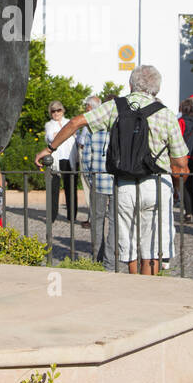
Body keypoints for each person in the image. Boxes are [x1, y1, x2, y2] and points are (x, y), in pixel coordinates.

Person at [39, 65, 187, 275]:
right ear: (158, 89)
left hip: (124, 184)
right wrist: (178, 186)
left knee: (128, 246)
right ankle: (148, 294)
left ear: (130, 85)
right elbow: (181, 164)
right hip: (156, 184)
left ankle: (133, 289)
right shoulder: (166, 115)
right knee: (152, 248)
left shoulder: (115, 107)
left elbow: (76, 122)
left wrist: (49, 148)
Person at [77, 95, 116, 270]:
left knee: (97, 219)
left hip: (99, 179)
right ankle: (110, 260)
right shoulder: (119, 129)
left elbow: (86, 158)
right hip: (116, 181)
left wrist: (91, 178)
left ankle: (97, 258)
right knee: (115, 221)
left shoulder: (94, 128)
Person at [44, 101, 78, 225]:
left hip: (70, 158)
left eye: (58, 110)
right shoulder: (49, 125)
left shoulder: (69, 122)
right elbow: (50, 137)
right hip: (56, 160)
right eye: (53, 111)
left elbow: (76, 136)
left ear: (62, 111)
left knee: (71, 188)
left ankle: (72, 216)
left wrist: (60, 134)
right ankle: (51, 216)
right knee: (53, 189)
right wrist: (67, 134)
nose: (56, 113)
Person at [176, 98, 193, 223]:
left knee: (185, 185)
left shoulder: (181, 121)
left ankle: (188, 213)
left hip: (184, 155)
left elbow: (179, 138)